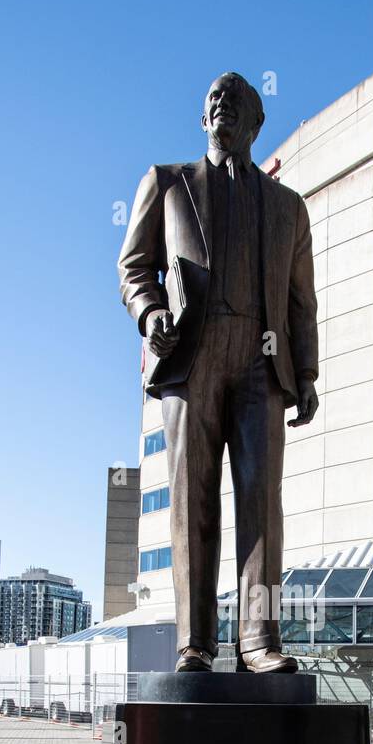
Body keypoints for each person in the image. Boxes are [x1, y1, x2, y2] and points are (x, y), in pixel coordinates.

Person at [118, 72, 319, 674]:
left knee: (262, 504)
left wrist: (306, 372)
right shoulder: (167, 183)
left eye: (235, 102)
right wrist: (150, 310)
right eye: (213, 102)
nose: (221, 107)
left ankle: (259, 640)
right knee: (192, 501)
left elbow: (299, 300)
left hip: (263, 361)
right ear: (203, 121)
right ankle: (195, 644)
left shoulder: (287, 206)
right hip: (192, 356)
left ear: (257, 125)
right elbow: (134, 267)